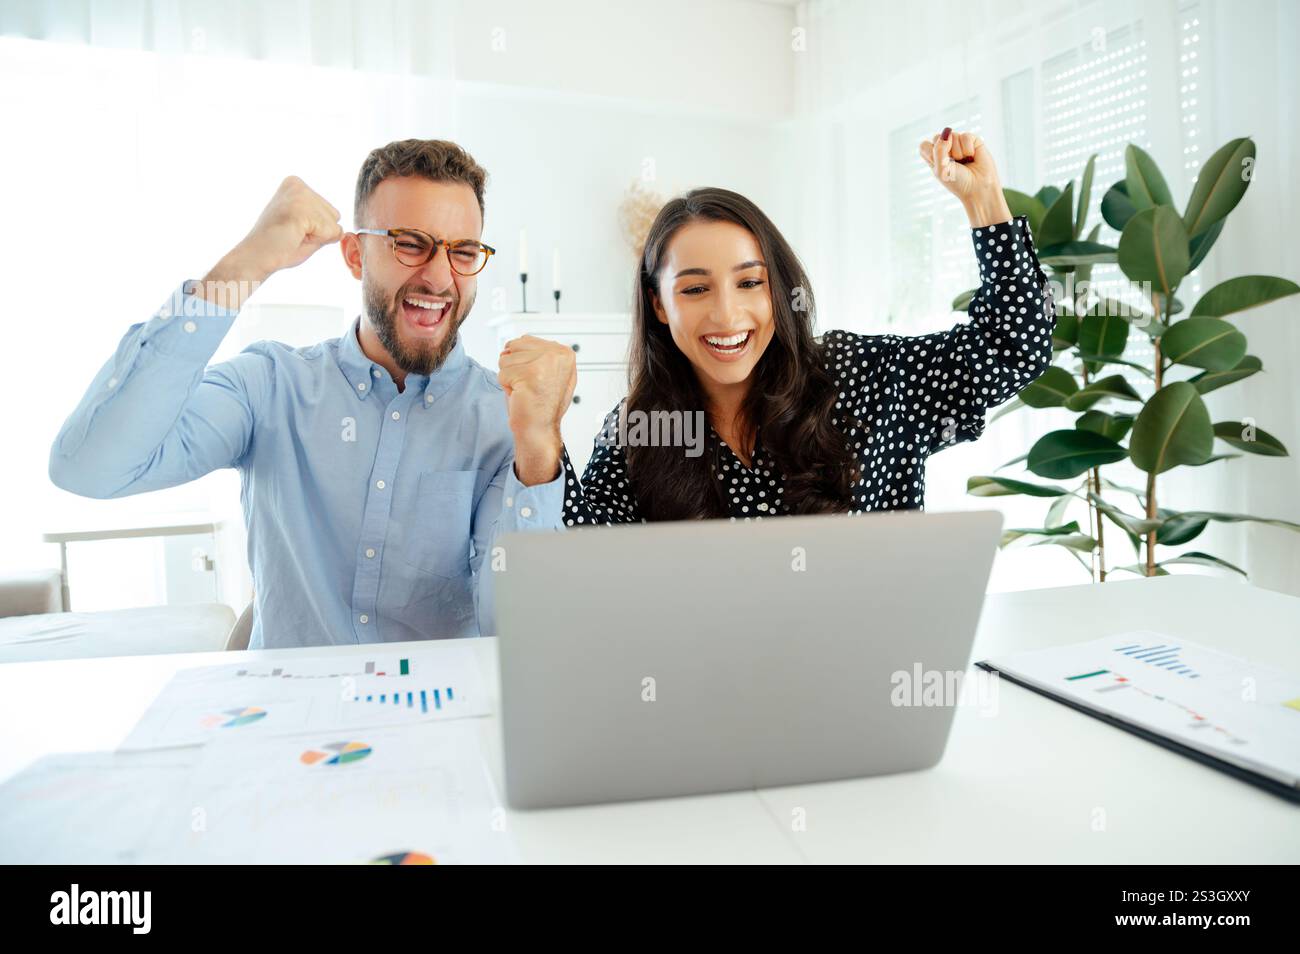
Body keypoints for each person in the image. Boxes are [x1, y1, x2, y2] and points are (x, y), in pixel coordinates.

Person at [49, 139, 575, 647]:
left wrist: (538, 445)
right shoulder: (270, 386)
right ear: (354, 255)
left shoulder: (502, 416)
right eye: (410, 243)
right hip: (282, 721)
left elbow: (517, 632)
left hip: (432, 720)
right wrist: (245, 265)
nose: (439, 277)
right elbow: (90, 467)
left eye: (462, 251)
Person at [560, 127, 1056, 523]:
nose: (727, 315)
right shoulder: (639, 429)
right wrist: (539, 435)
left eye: (750, 283)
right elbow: (587, 561)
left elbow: (1011, 347)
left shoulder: (862, 377)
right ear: (659, 305)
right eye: (695, 289)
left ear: (779, 287)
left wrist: (984, 199)